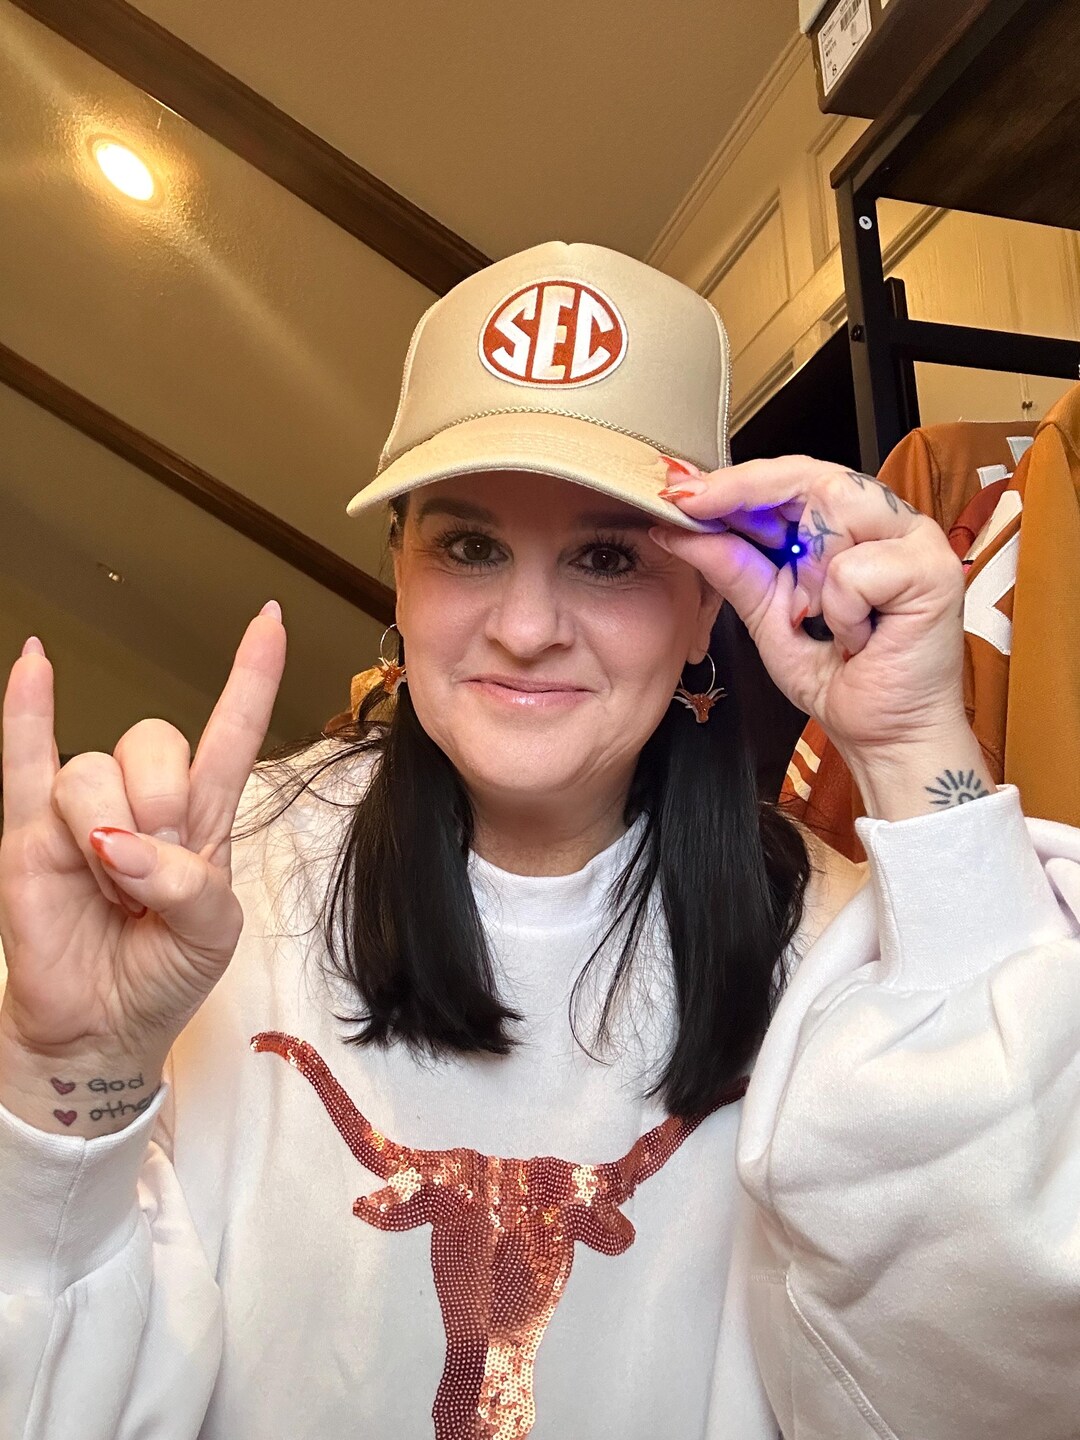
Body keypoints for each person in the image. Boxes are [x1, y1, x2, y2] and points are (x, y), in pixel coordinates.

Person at [0, 241, 1077, 1440]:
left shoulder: (849, 951)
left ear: (707, 603)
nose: (523, 627)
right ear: (398, 576)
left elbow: (1004, 1371)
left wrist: (918, 748)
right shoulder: (207, 895)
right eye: (468, 547)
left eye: (608, 557)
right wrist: (67, 1084)